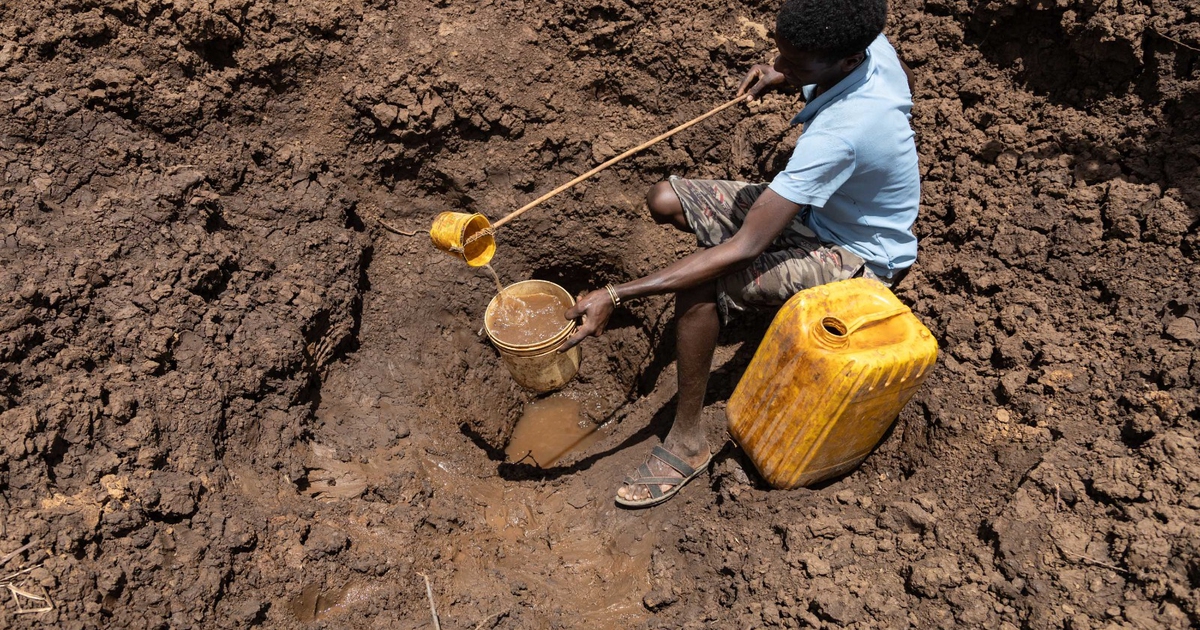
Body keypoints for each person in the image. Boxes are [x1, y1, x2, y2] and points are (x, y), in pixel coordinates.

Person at [559, 0, 920, 508]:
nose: (782, 67)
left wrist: (616, 294)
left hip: (857, 254)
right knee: (666, 198)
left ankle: (686, 441)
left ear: (846, 61)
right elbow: (899, 71)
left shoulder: (842, 133)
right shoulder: (870, 47)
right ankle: (734, 290)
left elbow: (749, 243)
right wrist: (786, 74)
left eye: (797, 64)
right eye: (781, 55)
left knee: (699, 287)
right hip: (816, 214)